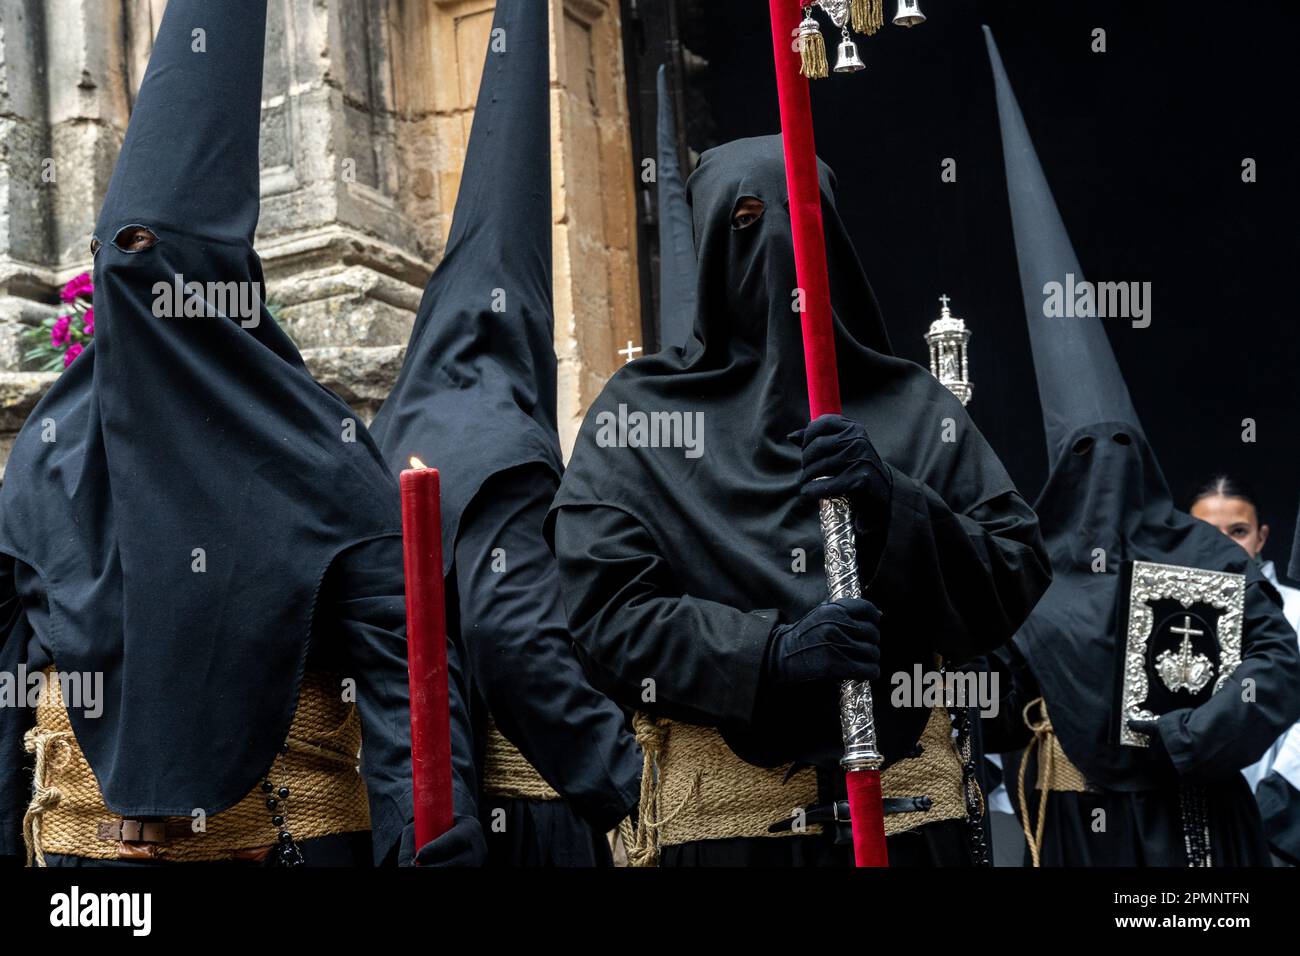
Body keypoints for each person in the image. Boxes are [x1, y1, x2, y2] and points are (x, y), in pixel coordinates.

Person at [0, 0, 481, 867]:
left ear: (222, 278)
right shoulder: (50, 455)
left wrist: (428, 842)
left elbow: (404, 684)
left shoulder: (319, 451)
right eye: (122, 254)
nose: (139, 281)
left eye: (162, 255)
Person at [547, 133, 1052, 867]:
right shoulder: (641, 418)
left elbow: (1013, 569)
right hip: (728, 836)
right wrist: (765, 653)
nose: (778, 241)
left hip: (912, 830)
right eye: (748, 219)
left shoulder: (912, 405)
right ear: (715, 245)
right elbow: (603, 614)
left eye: (803, 217)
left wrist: (895, 504)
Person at [981, 26, 1300, 867]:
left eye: (1120, 450)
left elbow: (1277, 666)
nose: (1107, 472)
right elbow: (986, 695)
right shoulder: (1024, 577)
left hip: (1197, 825)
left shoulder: (1206, 555)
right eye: (1087, 458)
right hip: (1076, 830)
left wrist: (1192, 732)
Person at [369, 0, 641, 866]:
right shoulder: (506, 448)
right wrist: (634, 787)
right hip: (524, 822)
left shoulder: (388, 434)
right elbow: (517, 643)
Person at [1190, 476, 1300, 863]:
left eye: (1237, 531)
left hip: (1278, 824)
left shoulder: (1298, 611)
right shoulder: (1165, 617)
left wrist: (1275, 809)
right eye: (1205, 531)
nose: (1221, 543)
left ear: (1262, 536)